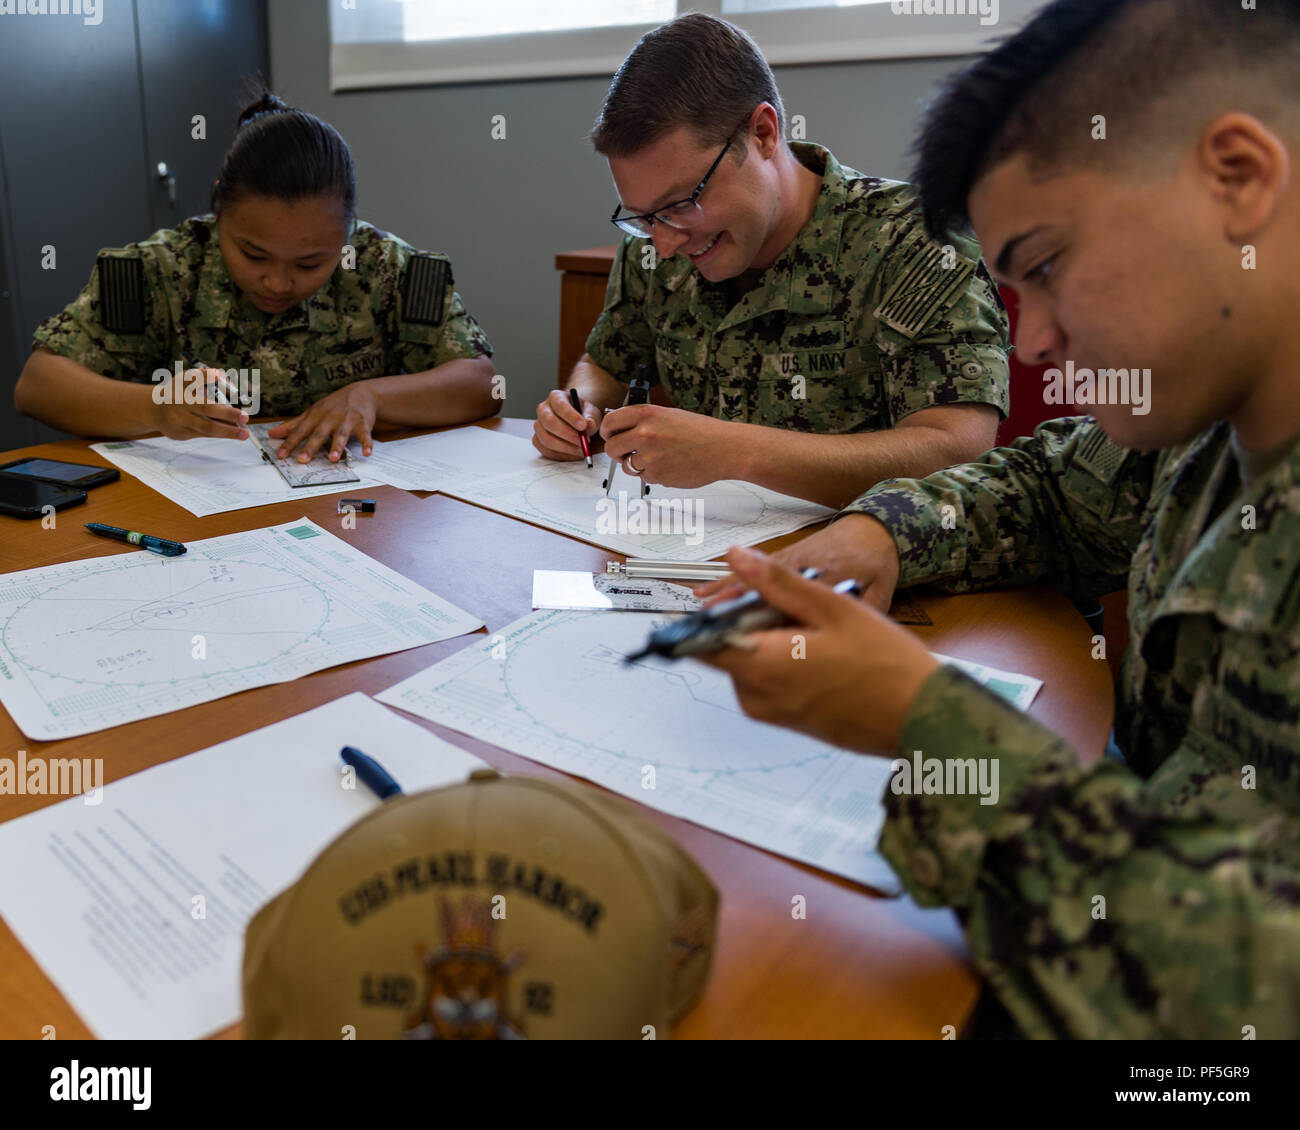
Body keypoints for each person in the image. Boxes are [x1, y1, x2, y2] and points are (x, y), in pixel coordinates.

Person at [698, 0, 1300, 1038]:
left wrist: (924, 722)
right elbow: (1043, 487)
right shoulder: (1203, 418)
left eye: (1047, 264)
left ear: (1238, 179)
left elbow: (1244, 994)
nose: (1032, 345)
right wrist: (882, 530)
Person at [532, 13, 1009, 509]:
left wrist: (737, 452)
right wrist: (578, 407)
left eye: (680, 204)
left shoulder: (916, 240)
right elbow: (606, 362)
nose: (666, 242)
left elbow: (956, 451)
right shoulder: (655, 244)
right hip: (695, 557)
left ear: (762, 132)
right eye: (646, 216)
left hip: (863, 566)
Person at [15, 92, 498, 464]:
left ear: (347, 230)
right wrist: (158, 407)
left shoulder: (387, 268)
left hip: (351, 512)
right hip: (196, 514)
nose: (277, 283)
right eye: (252, 254)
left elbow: (482, 384)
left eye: (310, 263)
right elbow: (38, 386)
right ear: (218, 207)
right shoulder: (158, 269)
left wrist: (372, 396)